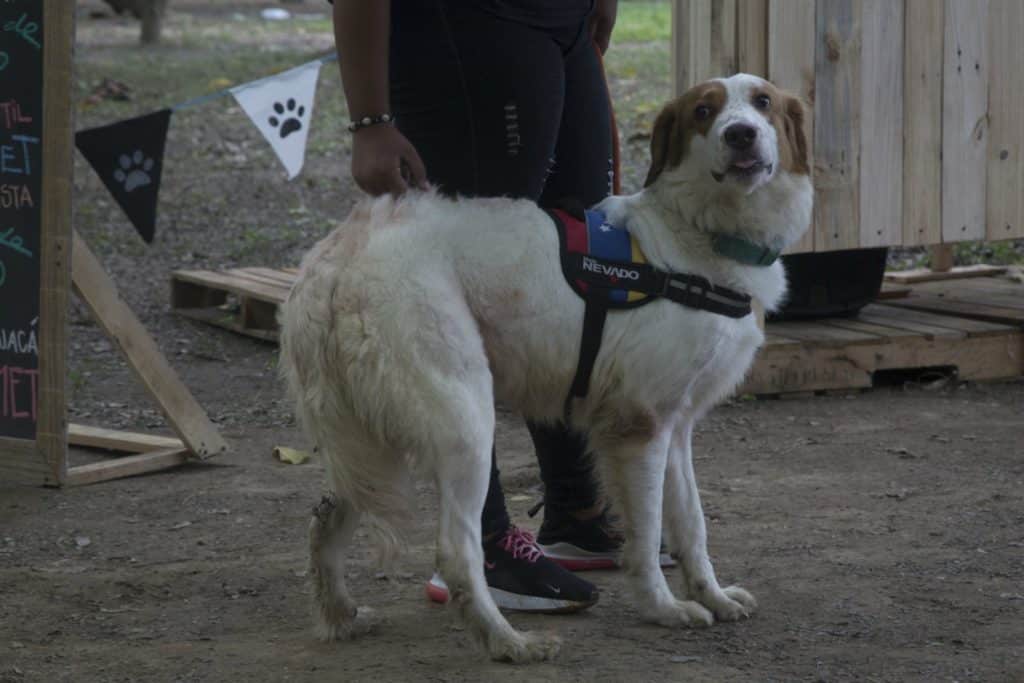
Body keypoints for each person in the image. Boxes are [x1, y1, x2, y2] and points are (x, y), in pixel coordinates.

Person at [330, 0, 622, 613]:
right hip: (464, 28)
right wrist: (370, 121)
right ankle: (479, 545)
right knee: (468, 291)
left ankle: (578, 510)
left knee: (571, 259)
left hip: (560, 22)